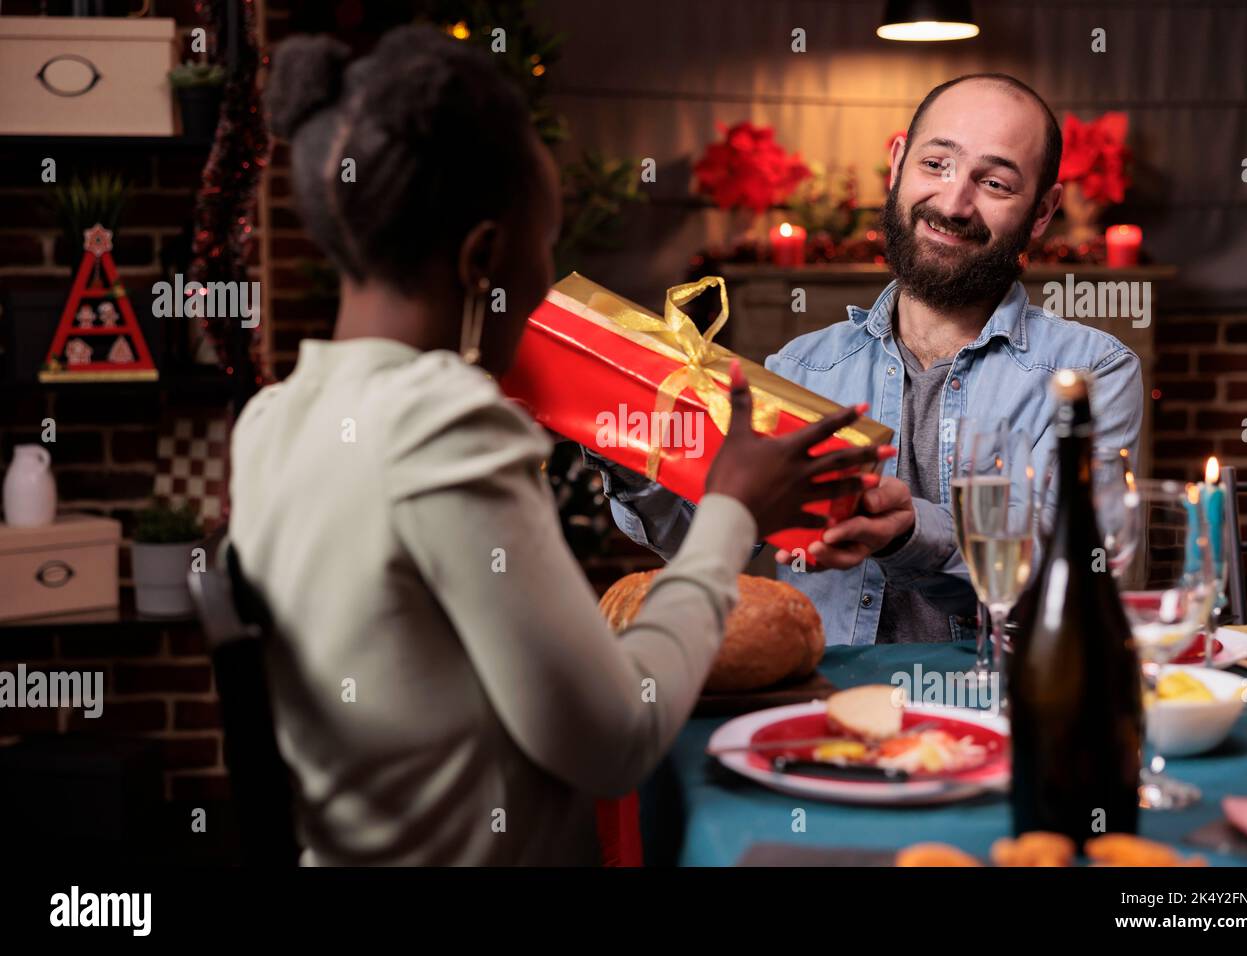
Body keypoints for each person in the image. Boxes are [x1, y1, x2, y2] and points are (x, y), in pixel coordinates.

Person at [227, 27, 886, 866]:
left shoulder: (273, 420)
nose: (547, 286)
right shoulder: (443, 429)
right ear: (483, 260)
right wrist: (728, 510)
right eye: (545, 250)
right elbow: (619, 736)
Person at [594, 74, 1144, 647]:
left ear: (1041, 211)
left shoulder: (1092, 373)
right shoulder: (799, 370)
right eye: (937, 164)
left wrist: (912, 532)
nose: (954, 203)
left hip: (1002, 711)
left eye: (996, 183)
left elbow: (1079, 571)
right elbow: (704, 535)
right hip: (828, 720)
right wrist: (630, 447)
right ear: (898, 162)